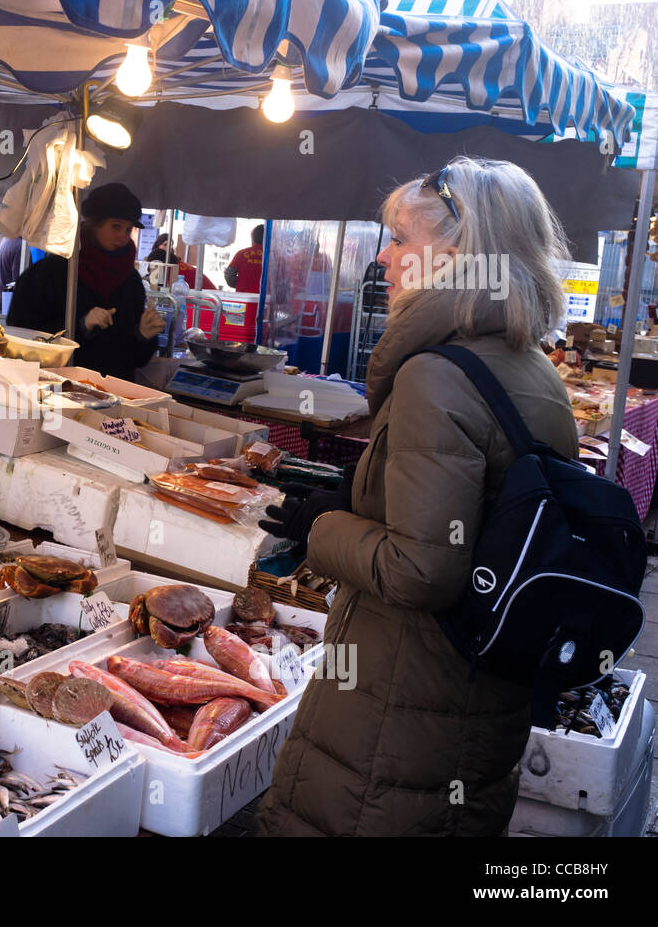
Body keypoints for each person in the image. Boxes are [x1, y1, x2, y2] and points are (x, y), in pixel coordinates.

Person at [254, 157, 579, 837]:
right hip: (478, 698)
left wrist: (325, 528)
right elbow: (478, 508)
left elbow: (422, 568)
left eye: (400, 238)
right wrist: (368, 488)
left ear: (454, 257)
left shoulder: (438, 373)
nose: (383, 255)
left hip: (398, 713)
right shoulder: (534, 367)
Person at [7, 182, 165, 381]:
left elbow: (135, 359)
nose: (123, 236)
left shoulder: (131, 280)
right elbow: (21, 336)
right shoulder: (51, 272)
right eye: (116, 226)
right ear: (93, 224)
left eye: (128, 229)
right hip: (55, 389)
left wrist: (143, 336)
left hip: (114, 394)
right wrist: (80, 326)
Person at [146, 232, 216, 290]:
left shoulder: (170, 267)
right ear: (157, 245)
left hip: (206, 295)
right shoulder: (172, 264)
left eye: (170, 245)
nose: (168, 247)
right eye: (165, 244)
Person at [224, 224, 265, 293]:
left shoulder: (241, 254)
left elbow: (229, 276)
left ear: (253, 238)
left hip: (243, 298)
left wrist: (241, 284)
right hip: (266, 299)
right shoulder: (274, 257)